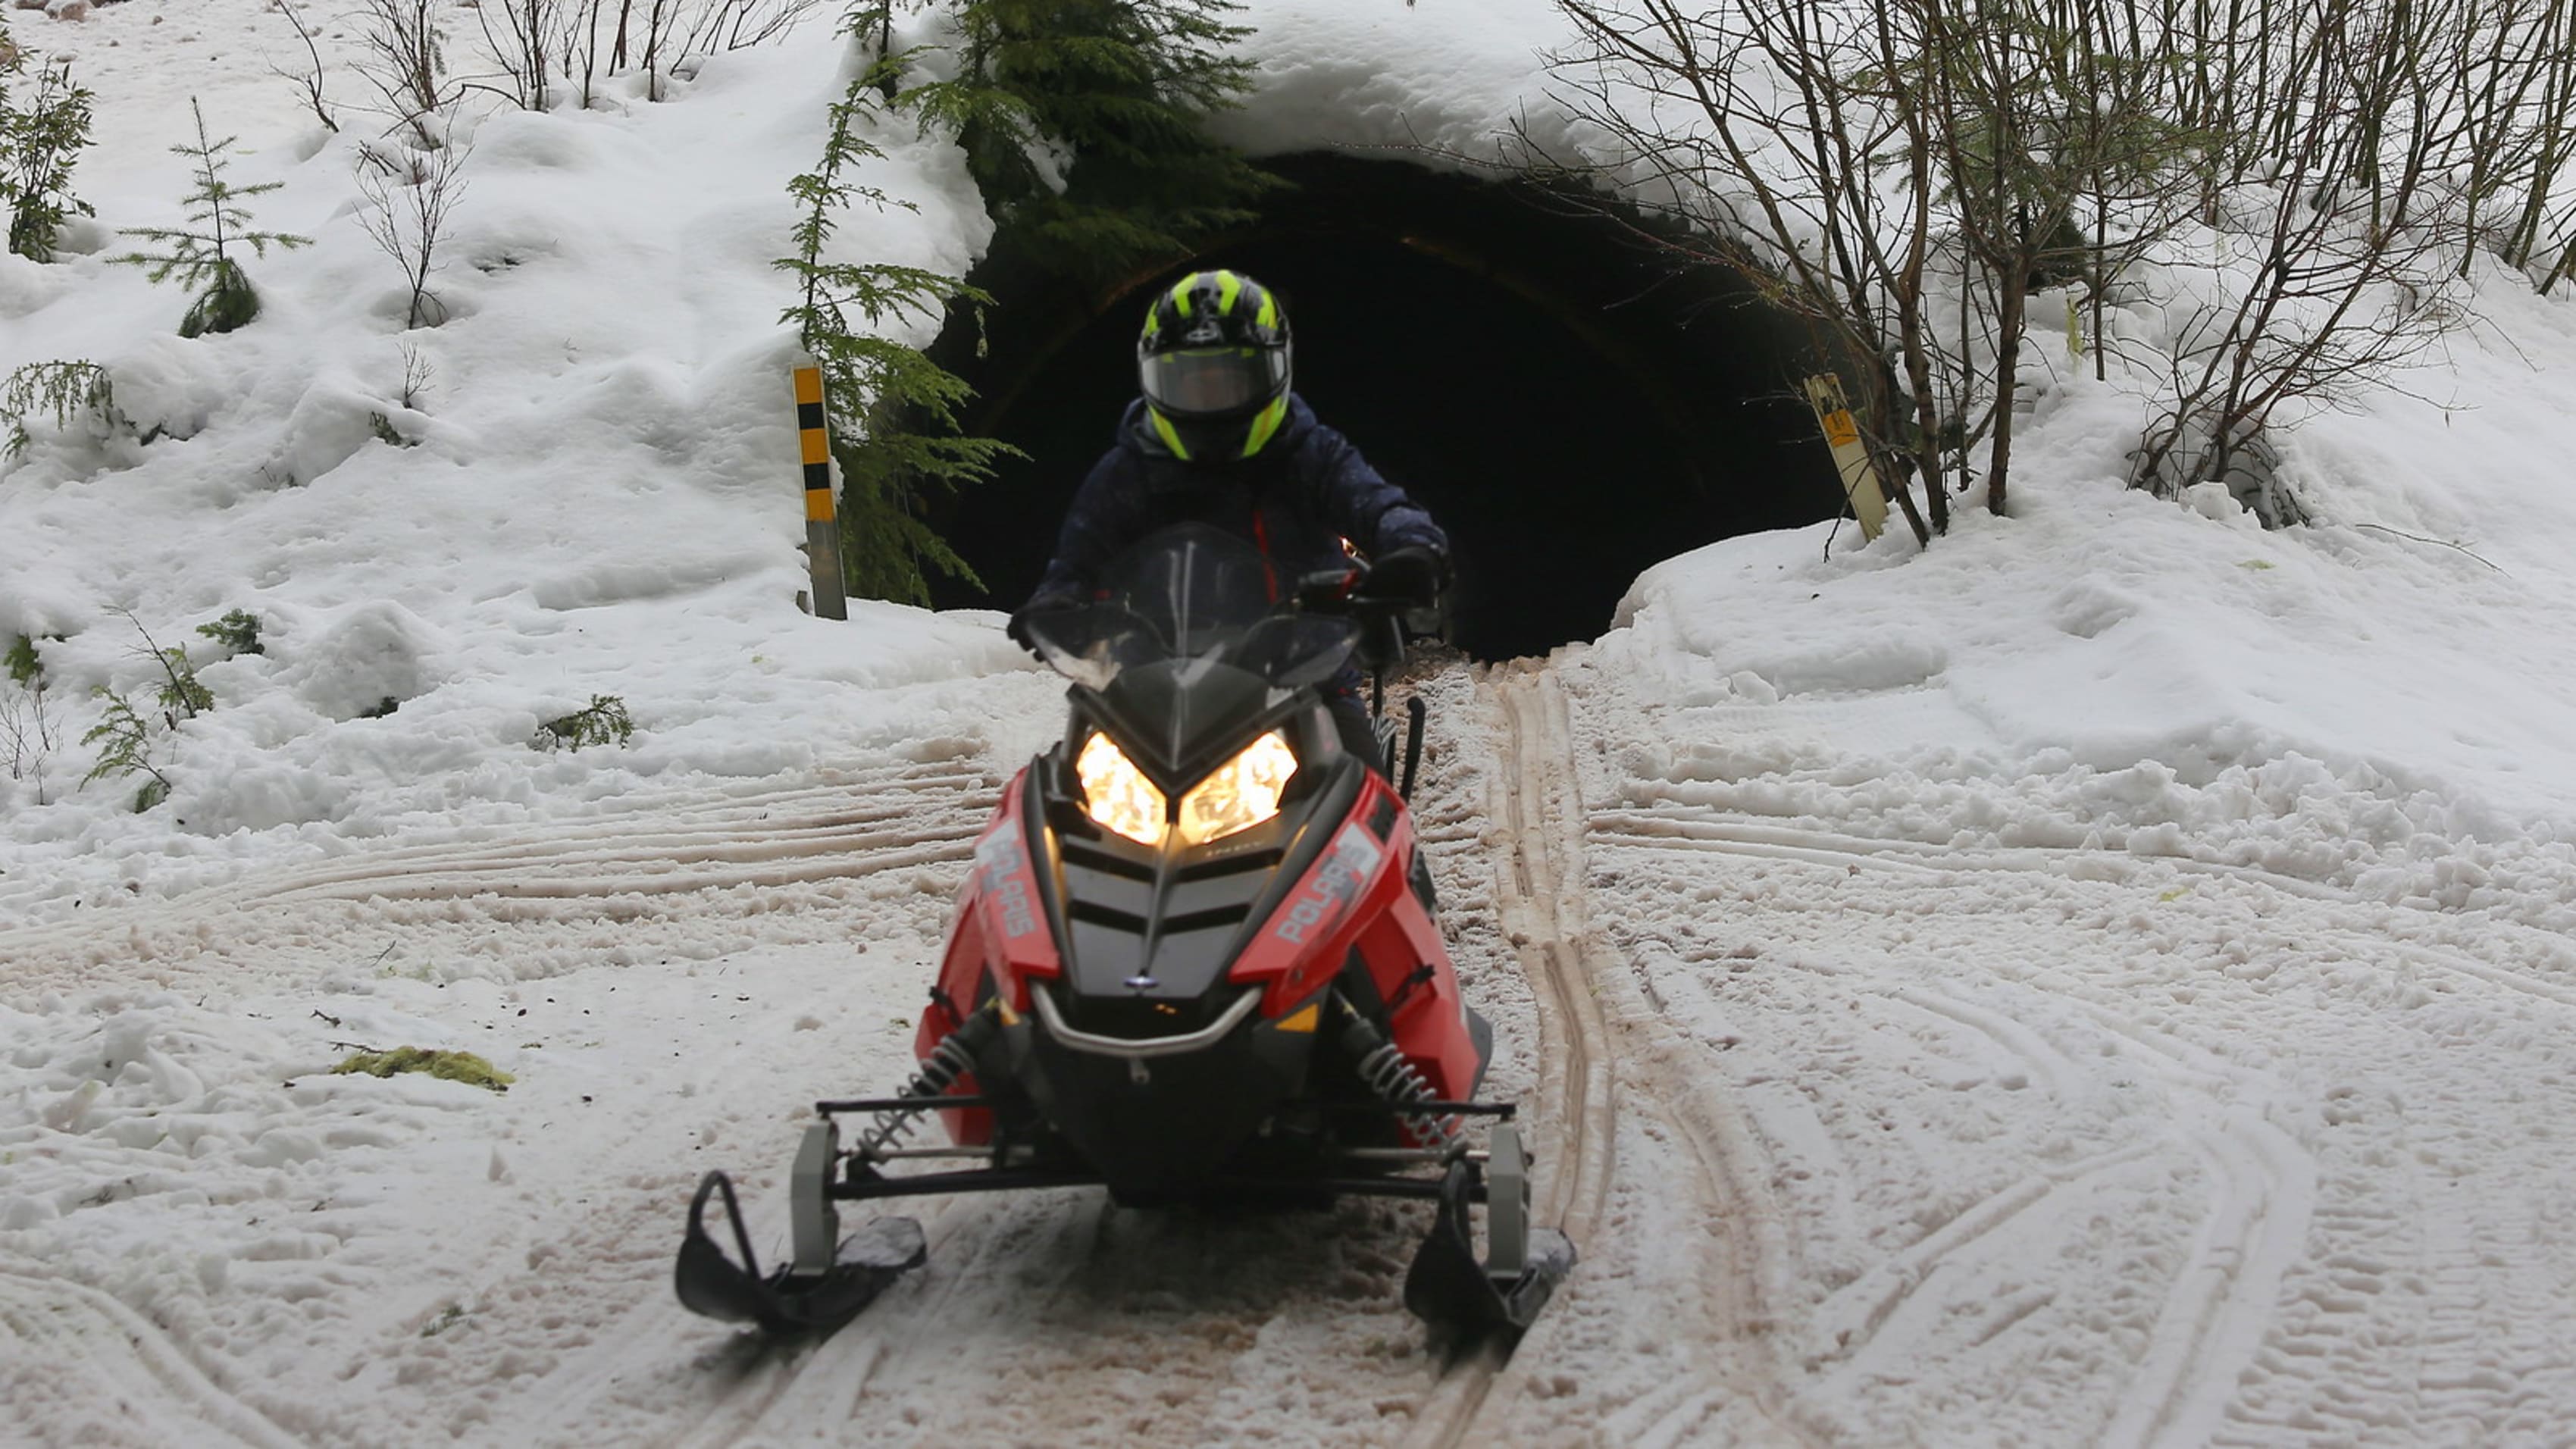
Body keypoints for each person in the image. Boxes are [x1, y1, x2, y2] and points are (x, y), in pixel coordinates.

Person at [1008, 268, 1450, 765]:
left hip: (1303, 675)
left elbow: (1377, 504)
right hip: (1151, 684)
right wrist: (1055, 603)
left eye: (1229, 381)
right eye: (1190, 383)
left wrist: (1413, 547)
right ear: (1155, 377)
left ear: (1272, 374)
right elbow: (1079, 556)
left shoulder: (1310, 453)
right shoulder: (1129, 469)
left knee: (1368, 810)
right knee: (1062, 797)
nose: (1210, 400)